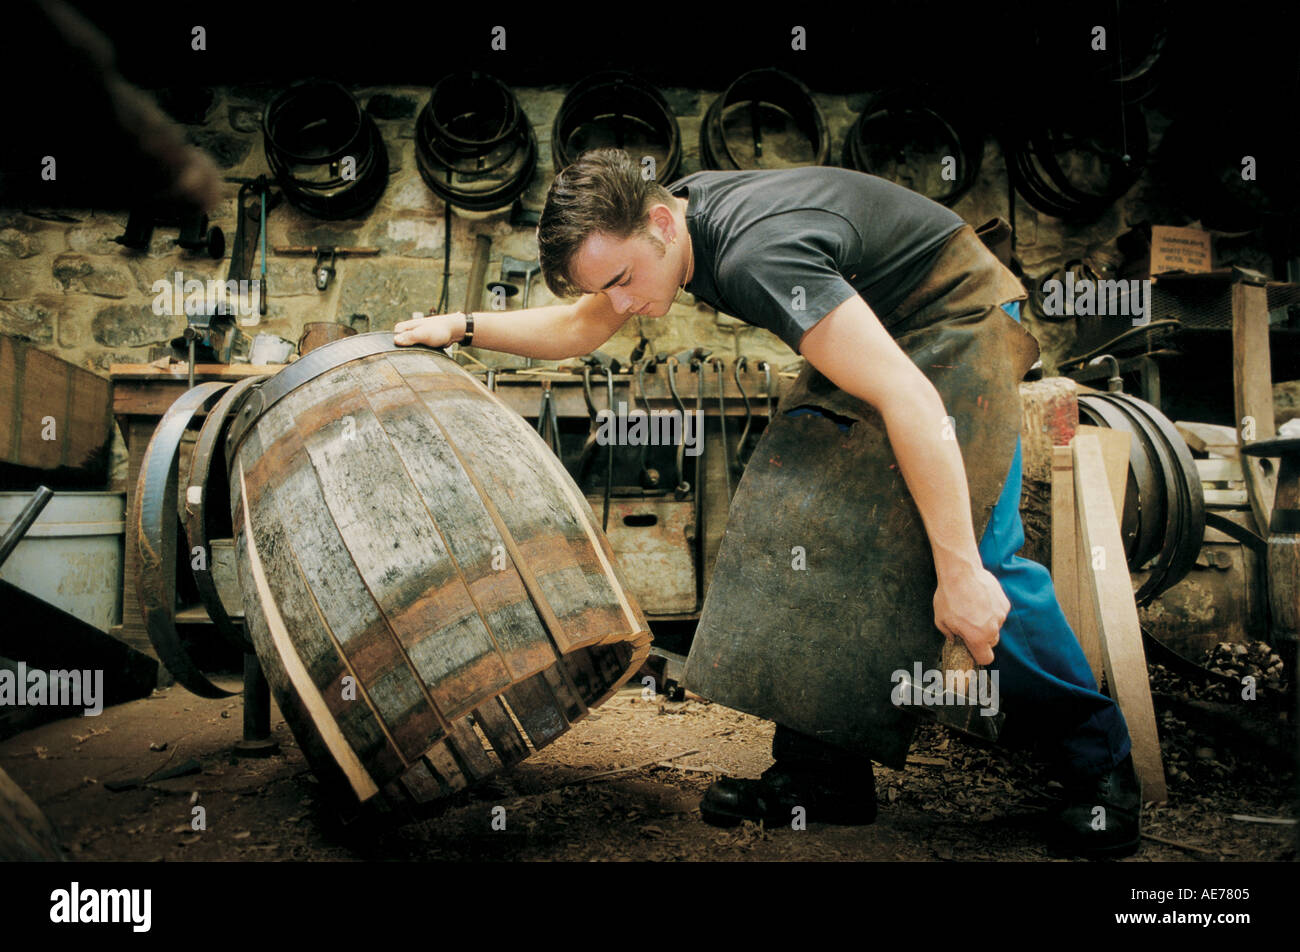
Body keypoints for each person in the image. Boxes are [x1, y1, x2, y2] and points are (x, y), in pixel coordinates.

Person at [394, 148, 1141, 858]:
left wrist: (954, 571)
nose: (622, 306)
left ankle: (1097, 764)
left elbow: (910, 396)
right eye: (606, 288)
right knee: (800, 515)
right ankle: (824, 776)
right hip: (881, 326)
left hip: (951, 319)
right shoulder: (671, 225)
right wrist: (460, 328)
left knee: (981, 557)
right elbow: (583, 327)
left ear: (658, 222)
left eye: (622, 279)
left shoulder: (757, 256)